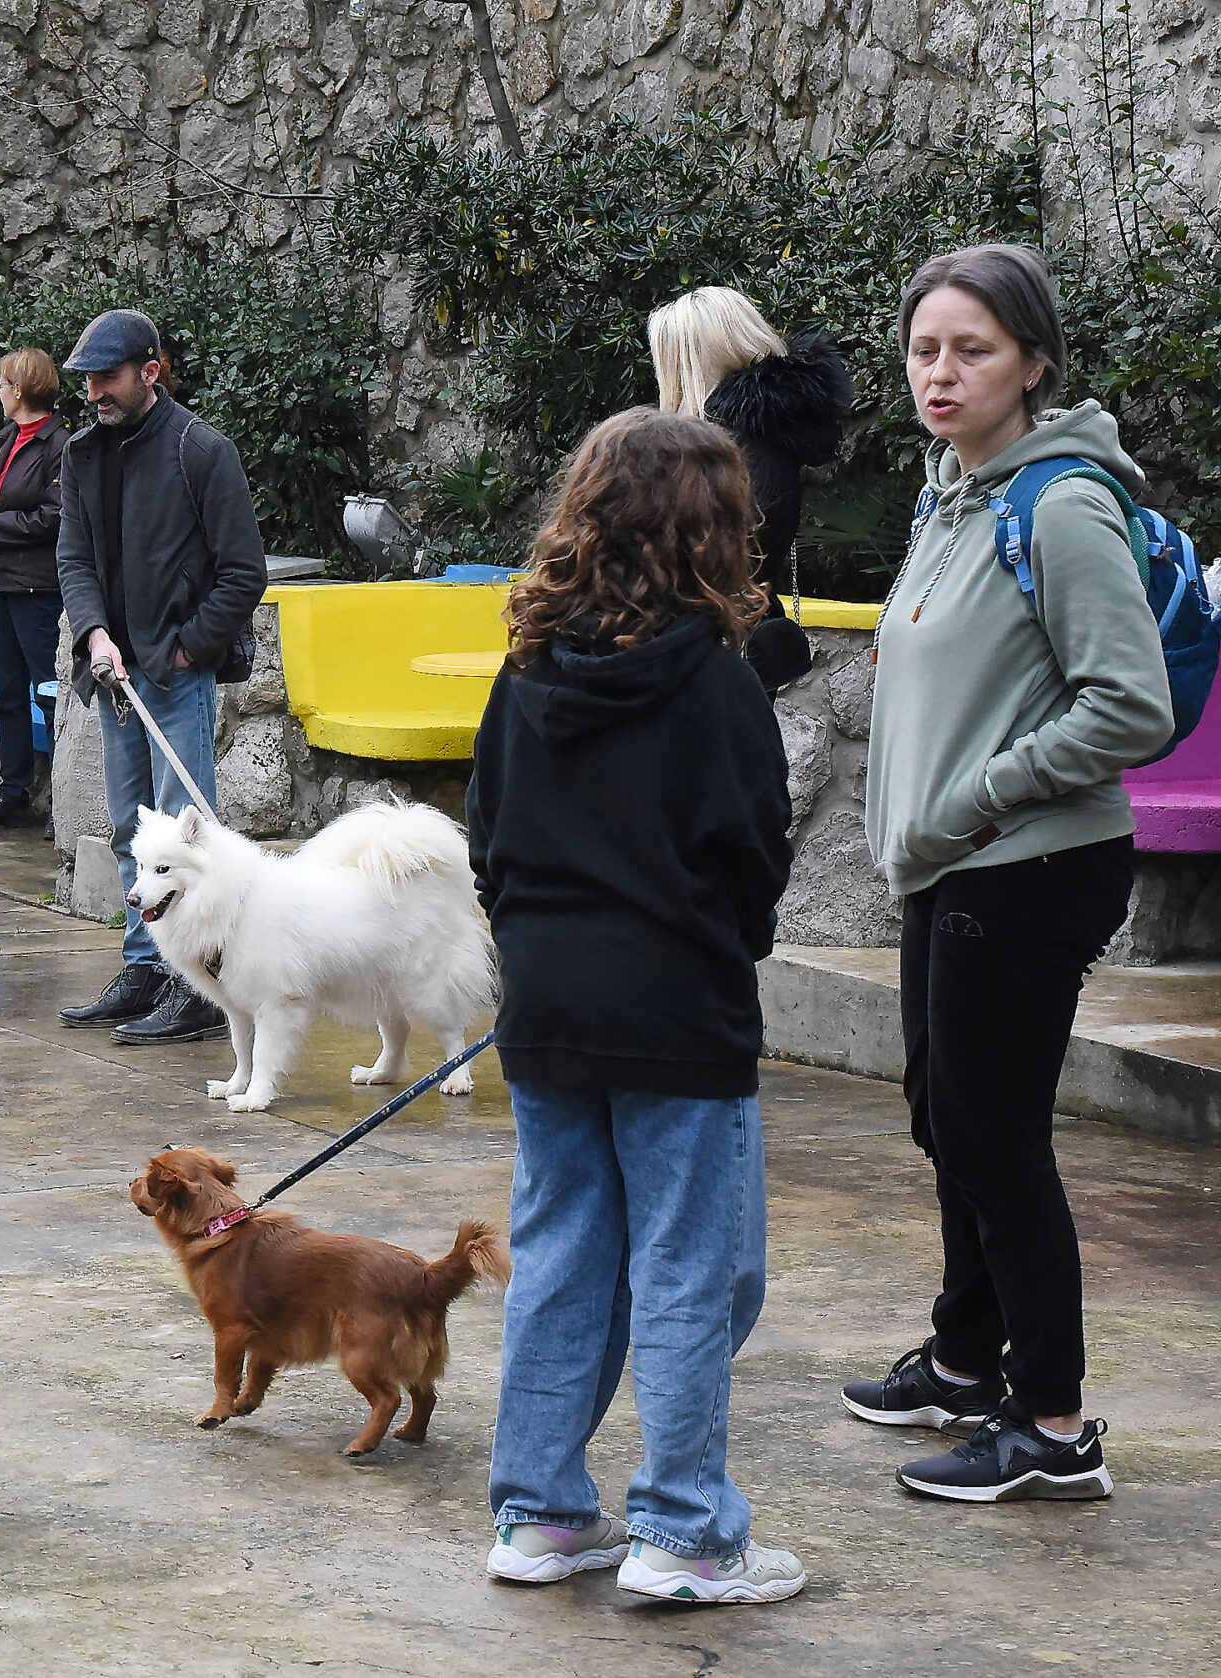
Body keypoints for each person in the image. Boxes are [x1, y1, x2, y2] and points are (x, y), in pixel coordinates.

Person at [845, 243, 1170, 1503]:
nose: (940, 372)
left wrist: (976, 795)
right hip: (952, 867)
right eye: (925, 349)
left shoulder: (1062, 503)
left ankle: (1050, 1420)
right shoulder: (955, 492)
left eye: (970, 349)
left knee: (994, 1133)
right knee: (946, 1116)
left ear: (1032, 363)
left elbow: (1126, 706)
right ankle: (967, 1356)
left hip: (1027, 865)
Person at [467, 407, 804, 1604]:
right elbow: (754, 854)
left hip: (550, 1012)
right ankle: (684, 1534)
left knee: (558, 1255)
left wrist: (544, 950)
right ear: (713, 532)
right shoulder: (717, 689)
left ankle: (542, 1515)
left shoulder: (526, 677)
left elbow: (490, 843)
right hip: (678, 1014)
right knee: (689, 1269)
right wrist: (716, 947)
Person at [53, 309, 267, 1046]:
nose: (93, 392)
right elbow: (73, 560)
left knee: (186, 844)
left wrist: (185, 651)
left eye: (106, 377)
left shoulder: (202, 450)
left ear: (151, 371)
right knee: (127, 832)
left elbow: (244, 572)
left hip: (174, 676)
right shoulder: (80, 454)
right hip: (113, 675)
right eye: (86, 379)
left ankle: (200, 985)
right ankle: (146, 964)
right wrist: (95, 634)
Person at [649, 286, 854, 693]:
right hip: (741, 634)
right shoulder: (771, 435)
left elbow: (698, 569)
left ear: (686, 363)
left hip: (701, 652)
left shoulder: (723, 451)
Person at [0, 346, 70, 831]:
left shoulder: (60, 444)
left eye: (2, 384)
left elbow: (56, 516)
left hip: (38, 589)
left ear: (19, 390)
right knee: (6, 690)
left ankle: (64, 801)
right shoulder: (6, 438)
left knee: (48, 691)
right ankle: (13, 794)